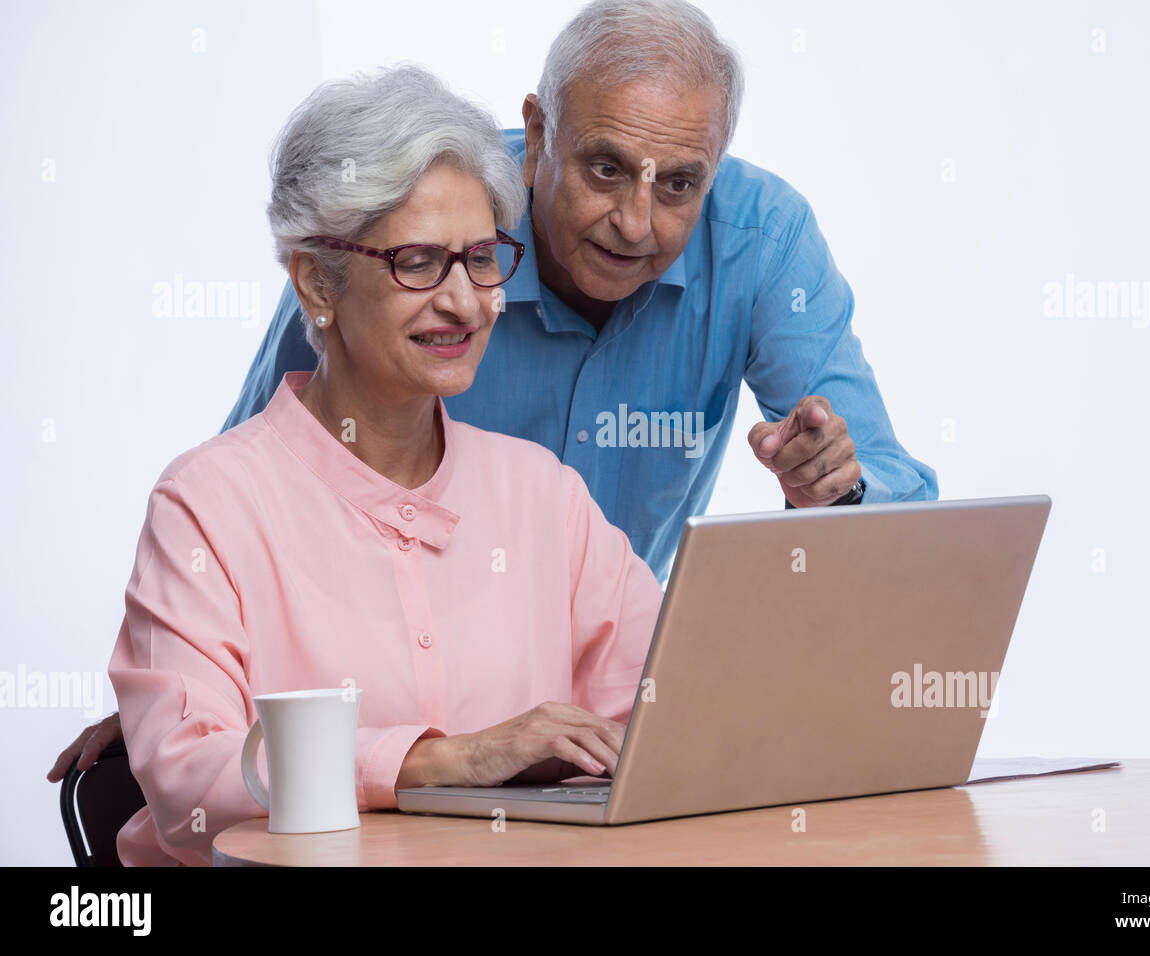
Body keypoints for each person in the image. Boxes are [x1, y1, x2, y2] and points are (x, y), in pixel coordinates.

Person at [49, 0, 938, 782]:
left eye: (480, 262)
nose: (636, 222)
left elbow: (700, 704)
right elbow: (253, 494)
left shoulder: (554, 492)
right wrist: (186, 690)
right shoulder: (224, 487)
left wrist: (837, 500)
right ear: (539, 137)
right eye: (603, 168)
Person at [103, 65, 662, 865]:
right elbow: (189, 782)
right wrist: (441, 761)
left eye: (481, 257)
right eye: (418, 262)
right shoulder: (207, 506)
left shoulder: (545, 494)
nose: (467, 302)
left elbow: (661, 721)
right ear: (315, 282)